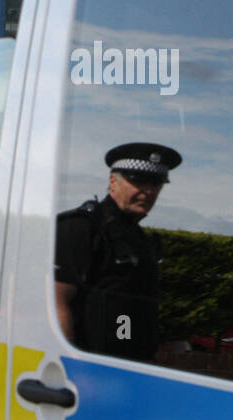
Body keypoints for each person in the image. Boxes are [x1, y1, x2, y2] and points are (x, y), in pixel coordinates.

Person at [54, 142, 182, 361]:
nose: (148, 191)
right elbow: (57, 301)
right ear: (113, 182)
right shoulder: (81, 227)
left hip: (131, 368)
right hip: (94, 369)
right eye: (138, 181)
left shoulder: (138, 238)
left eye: (156, 183)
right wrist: (71, 367)